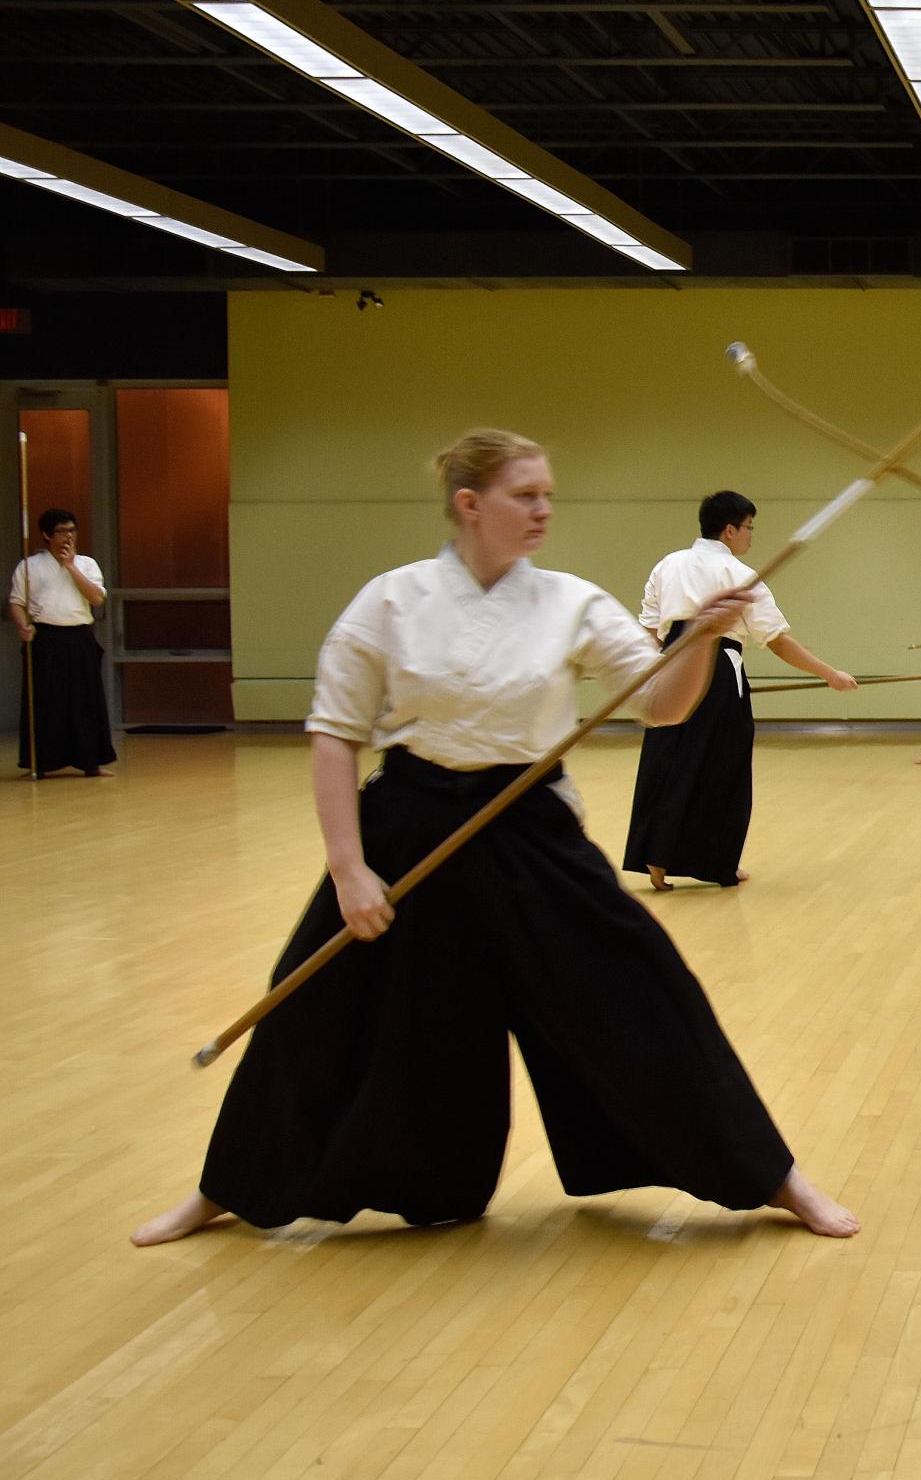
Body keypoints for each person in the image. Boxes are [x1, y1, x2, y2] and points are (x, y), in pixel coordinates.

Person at [131, 429, 857, 1247]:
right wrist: (348, 869)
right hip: (409, 824)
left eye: (549, 493)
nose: (544, 508)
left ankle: (775, 1178)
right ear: (469, 505)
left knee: (649, 990)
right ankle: (222, 1189)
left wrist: (700, 638)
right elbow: (335, 731)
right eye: (526, 494)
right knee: (313, 998)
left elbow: (662, 706)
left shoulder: (570, 602)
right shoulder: (393, 600)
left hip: (530, 830)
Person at [624, 490, 858, 891]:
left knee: (666, 760)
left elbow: (648, 629)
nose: (751, 536)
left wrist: (653, 673)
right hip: (716, 670)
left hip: (670, 667)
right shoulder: (737, 575)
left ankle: (656, 861)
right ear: (729, 530)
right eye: (749, 528)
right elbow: (778, 640)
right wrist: (829, 673)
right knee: (721, 768)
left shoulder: (668, 564)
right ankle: (718, 863)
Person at [10, 508, 115, 778]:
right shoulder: (29, 566)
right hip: (44, 638)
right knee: (44, 702)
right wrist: (23, 625)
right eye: (60, 531)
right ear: (46, 535)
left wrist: (70, 566)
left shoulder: (87, 564)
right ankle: (40, 763)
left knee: (85, 701)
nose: (68, 536)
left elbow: (96, 598)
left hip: (79, 637)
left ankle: (91, 762)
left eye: (72, 530)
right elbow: (17, 602)